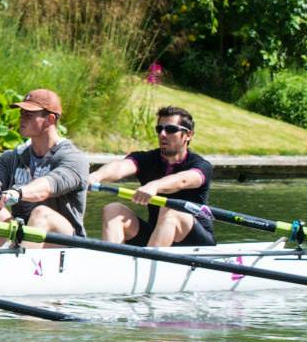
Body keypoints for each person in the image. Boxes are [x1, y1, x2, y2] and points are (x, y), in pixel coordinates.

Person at [0, 87, 89, 249]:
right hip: (24, 237)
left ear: (50, 119)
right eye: (21, 113)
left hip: (66, 244)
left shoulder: (74, 159)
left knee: (41, 213)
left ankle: (20, 270)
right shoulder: (13, 157)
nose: (21, 119)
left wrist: (18, 192)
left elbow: (49, 185)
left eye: (29, 114)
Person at [92, 105, 215, 247]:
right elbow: (119, 167)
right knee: (113, 209)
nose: (162, 134)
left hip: (195, 241)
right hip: (157, 236)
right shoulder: (147, 158)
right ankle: (113, 262)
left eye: (170, 129)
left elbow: (182, 180)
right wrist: (96, 176)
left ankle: (147, 264)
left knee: (170, 209)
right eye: (159, 129)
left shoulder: (201, 165)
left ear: (188, 135)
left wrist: (154, 185)